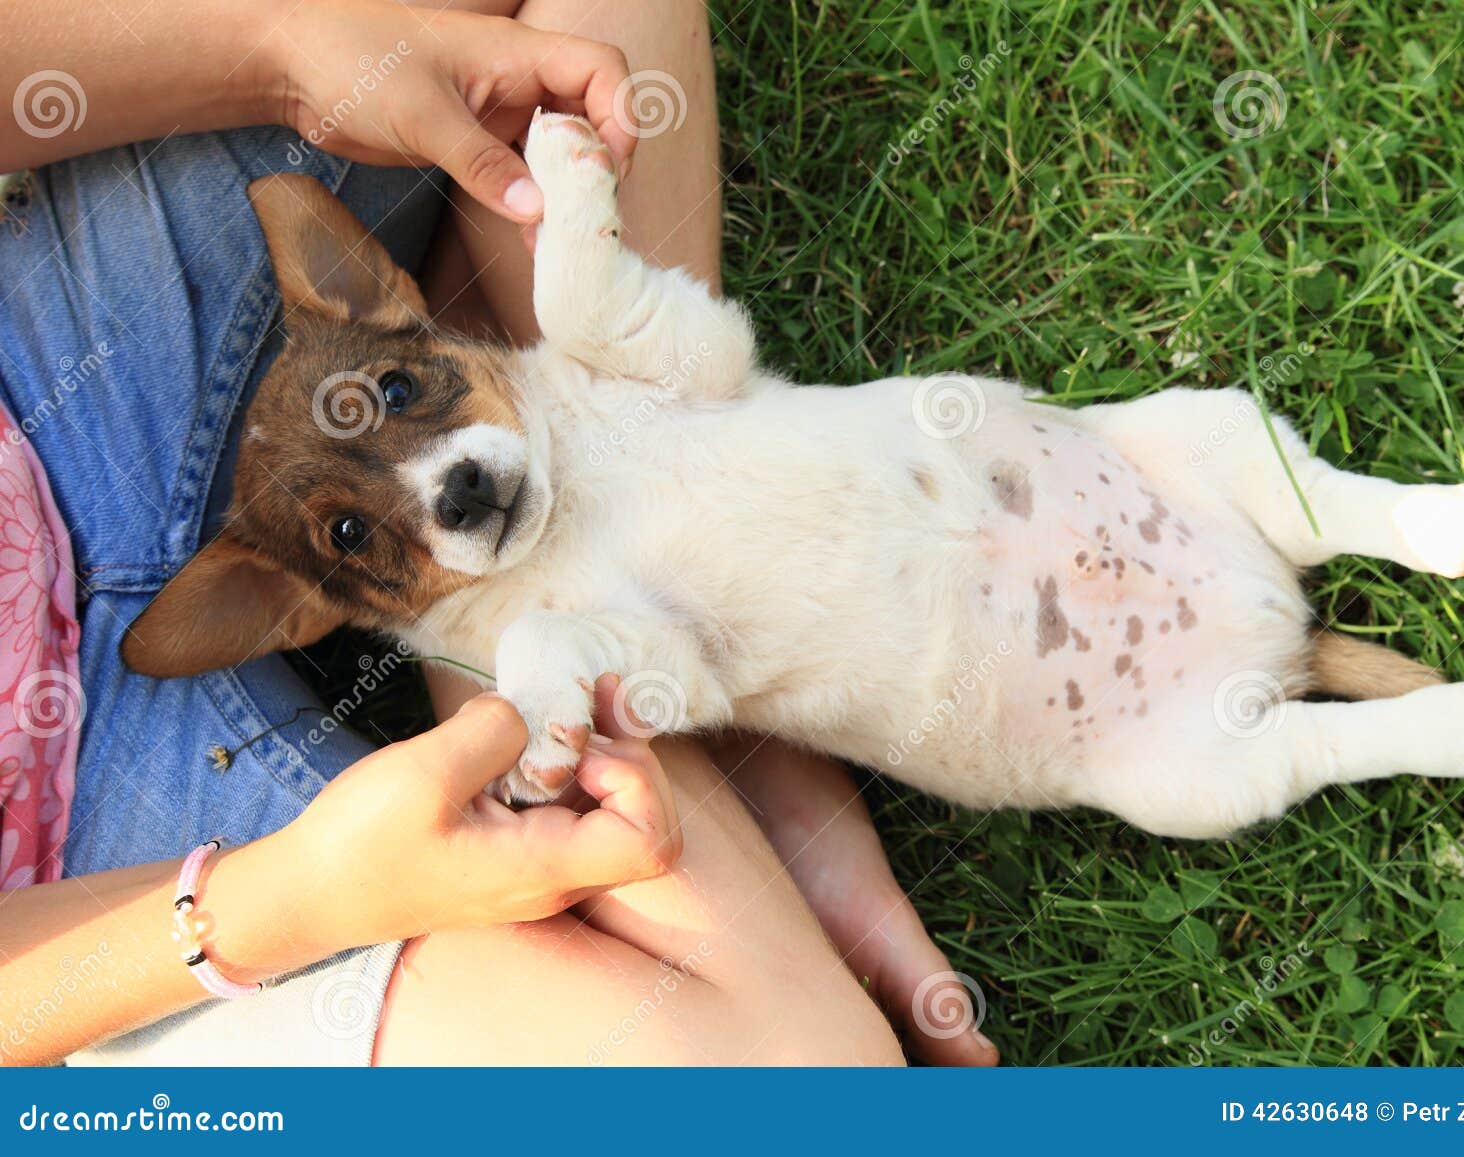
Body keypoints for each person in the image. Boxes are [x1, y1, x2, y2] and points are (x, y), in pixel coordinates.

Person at [0, 0, 999, 1066]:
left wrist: (278, 50)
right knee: (807, 1090)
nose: (453, 485)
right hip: (76, 873)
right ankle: (665, 670)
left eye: (397, 382)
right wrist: (288, 899)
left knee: (577, 55)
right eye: (347, 532)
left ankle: (689, 630)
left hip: (44, 390)